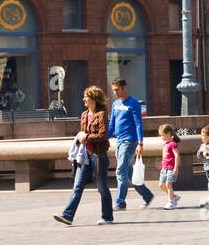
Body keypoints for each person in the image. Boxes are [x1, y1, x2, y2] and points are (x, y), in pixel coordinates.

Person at [54, 85, 114, 225]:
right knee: (77, 186)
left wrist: (85, 137)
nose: (84, 99)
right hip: (84, 156)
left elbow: (103, 135)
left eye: (86, 97)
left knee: (102, 187)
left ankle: (107, 217)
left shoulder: (101, 114)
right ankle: (68, 216)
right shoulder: (84, 114)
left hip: (98, 155)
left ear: (94, 98)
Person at [109, 78, 154, 210]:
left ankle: (120, 202)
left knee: (120, 171)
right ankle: (147, 195)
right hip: (119, 141)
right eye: (113, 90)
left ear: (124, 88)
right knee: (128, 173)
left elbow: (138, 123)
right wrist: (105, 138)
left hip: (129, 141)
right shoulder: (115, 104)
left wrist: (140, 143)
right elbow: (112, 123)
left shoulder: (133, 103)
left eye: (117, 90)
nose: (115, 92)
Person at [157, 123, 180, 209]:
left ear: (168, 134)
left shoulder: (173, 144)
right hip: (164, 168)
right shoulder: (165, 144)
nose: (161, 137)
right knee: (161, 185)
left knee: (168, 185)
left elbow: (177, 156)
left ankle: (171, 202)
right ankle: (174, 197)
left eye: (162, 135)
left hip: (171, 168)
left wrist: (175, 168)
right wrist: (161, 163)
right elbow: (165, 156)